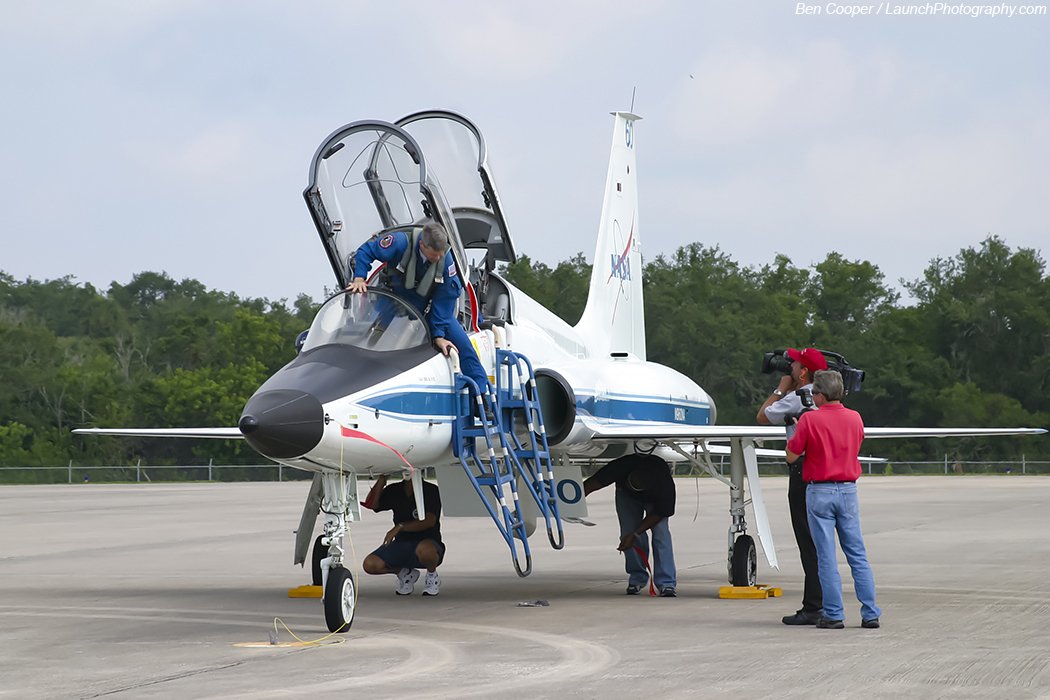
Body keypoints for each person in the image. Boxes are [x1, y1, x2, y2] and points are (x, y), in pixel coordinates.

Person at [349, 220, 491, 395]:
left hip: (431, 310)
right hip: (394, 302)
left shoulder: (447, 262)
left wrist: (438, 335)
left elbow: (445, 300)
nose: (438, 258)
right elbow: (367, 250)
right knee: (365, 339)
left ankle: (481, 397)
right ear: (422, 245)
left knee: (463, 347)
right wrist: (359, 278)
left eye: (440, 254)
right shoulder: (400, 243)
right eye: (435, 255)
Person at [786, 370, 881, 629]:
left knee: (826, 556)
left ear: (820, 394)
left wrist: (796, 432)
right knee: (857, 553)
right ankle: (870, 612)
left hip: (820, 490)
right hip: (848, 489)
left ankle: (834, 613)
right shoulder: (855, 418)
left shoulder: (809, 420)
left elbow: (792, 456)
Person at [756, 346, 827, 625]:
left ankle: (813, 606)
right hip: (826, 473)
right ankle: (825, 604)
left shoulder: (799, 396)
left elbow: (763, 416)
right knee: (822, 542)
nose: (790, 368)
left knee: (807, 542)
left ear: (804, 372)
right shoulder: (826, 395)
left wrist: (780, 388)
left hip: (801, 471)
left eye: (794, 365)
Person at [583, 443, 677, 597]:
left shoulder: (664, 486)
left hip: (655, 501)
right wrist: (571, 504)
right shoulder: (621, 467)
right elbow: (590, 485)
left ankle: (666, 583)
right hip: (625, 495)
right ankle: (637, 578)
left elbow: (659, 513)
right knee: (626, 532)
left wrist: (635, 534)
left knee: (661, 535)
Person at [362, 473, 445, 596]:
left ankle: (432, 576)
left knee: (425, 550)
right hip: (402, 543)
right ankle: (405, 573)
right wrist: (381, 480)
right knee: (370, 564)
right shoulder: (395, 490)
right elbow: (373, 504)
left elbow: (429, 521)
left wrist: (399, 527)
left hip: (428, 541)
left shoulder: (431, 490)